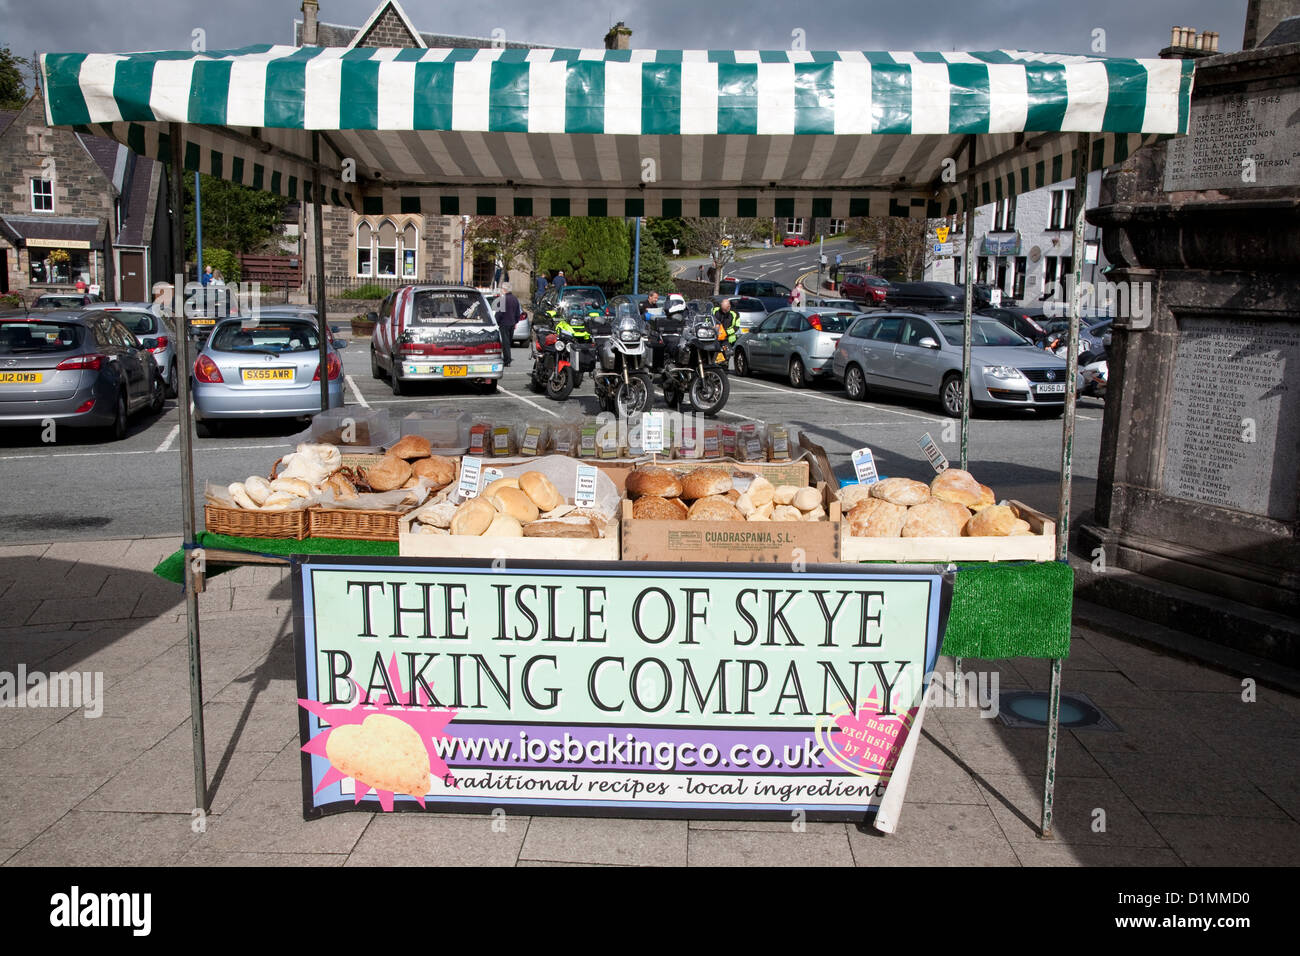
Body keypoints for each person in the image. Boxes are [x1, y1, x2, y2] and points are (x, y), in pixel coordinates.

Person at [497, 284, 521, 366]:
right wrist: (516, 322)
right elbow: (518, 313)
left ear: (504, 290)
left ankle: (507, 360)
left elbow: (499, 313)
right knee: (508, 342)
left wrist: (496, 322)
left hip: (504, 323)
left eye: (502, 289)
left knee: (505, 343)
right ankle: (508, 358)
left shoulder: (503, 299)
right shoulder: (515, 299)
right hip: (512, 323)